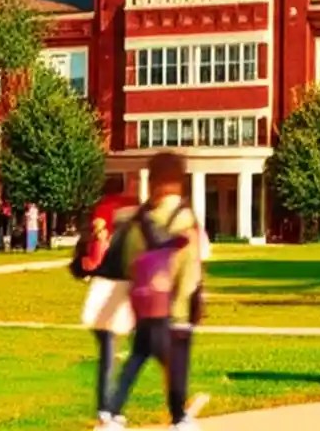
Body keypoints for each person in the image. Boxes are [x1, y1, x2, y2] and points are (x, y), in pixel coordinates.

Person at [103, 152, 206, 431]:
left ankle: (112, 414)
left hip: (146, 305)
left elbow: (128, 263)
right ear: (179, 181)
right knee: (175, 364)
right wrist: (185, 301)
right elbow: (190, 267)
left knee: (137, 358)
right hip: (174, 309)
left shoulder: (139, 221)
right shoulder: (184, 218)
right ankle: (179, 417)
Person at [80, 197, 135, 431]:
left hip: (106, 307)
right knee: (113, 357)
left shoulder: (115, 245)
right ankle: (108, 411)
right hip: (108, 308)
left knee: (111, 357)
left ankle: (110, 409)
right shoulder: (120, 248)